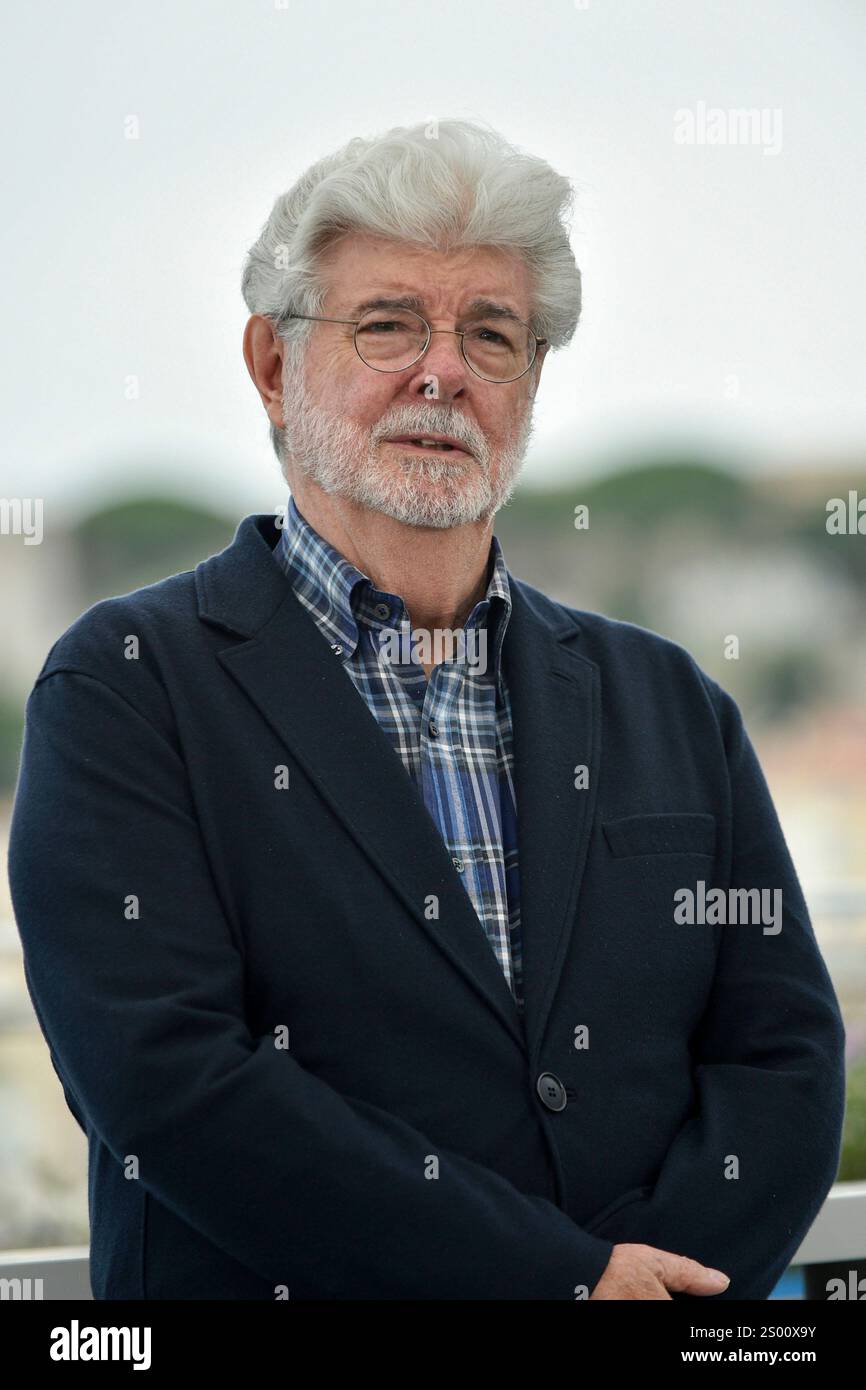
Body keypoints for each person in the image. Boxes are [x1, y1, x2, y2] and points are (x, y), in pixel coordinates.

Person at [8, 118, 845, 1300]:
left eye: (489, 334)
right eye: (387, 323)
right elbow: (170, 1082)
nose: (440, 370)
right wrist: (557, 1281)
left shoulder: (668, 700)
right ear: (271, 363)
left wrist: (657, 1293)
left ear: (531, 382)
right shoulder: (127, 685)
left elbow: (784, 1058)